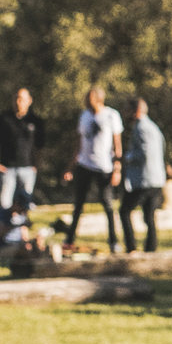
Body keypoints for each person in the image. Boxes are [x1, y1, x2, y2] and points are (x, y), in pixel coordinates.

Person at [61, 87, 123, 247]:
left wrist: (117, 168)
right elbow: (79, 143)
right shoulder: (84, 115)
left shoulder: (111, 115)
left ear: (97, 98)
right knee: (78, 205)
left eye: (88, 97)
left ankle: (113, 240)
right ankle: (69, 240)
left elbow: (117, 144)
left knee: (108, 204)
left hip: (104, 167)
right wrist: (70, 167)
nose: (85, 101)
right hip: (84, 165)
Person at [0, 87, 46, 221]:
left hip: (27, 168)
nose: (19, 102)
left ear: (29, 101)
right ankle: (1, 232)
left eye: (22, 99)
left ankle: (21, 233)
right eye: (16, 99)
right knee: (4, 203)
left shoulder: (35, 121)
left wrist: (36, 166)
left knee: (25, 203)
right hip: (7, 168)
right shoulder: (4, 119)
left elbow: (40, 147)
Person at [118, 97, 167, 254]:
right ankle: (151, 249)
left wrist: (126, 158)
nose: (124, 113)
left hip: (145, 179)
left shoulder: (142, 128)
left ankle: (131, 247)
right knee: (149, 216)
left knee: (124, 211)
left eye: (127, 110)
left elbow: (145, 153)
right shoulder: (153, 127)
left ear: (136, 111)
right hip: (157, 178)